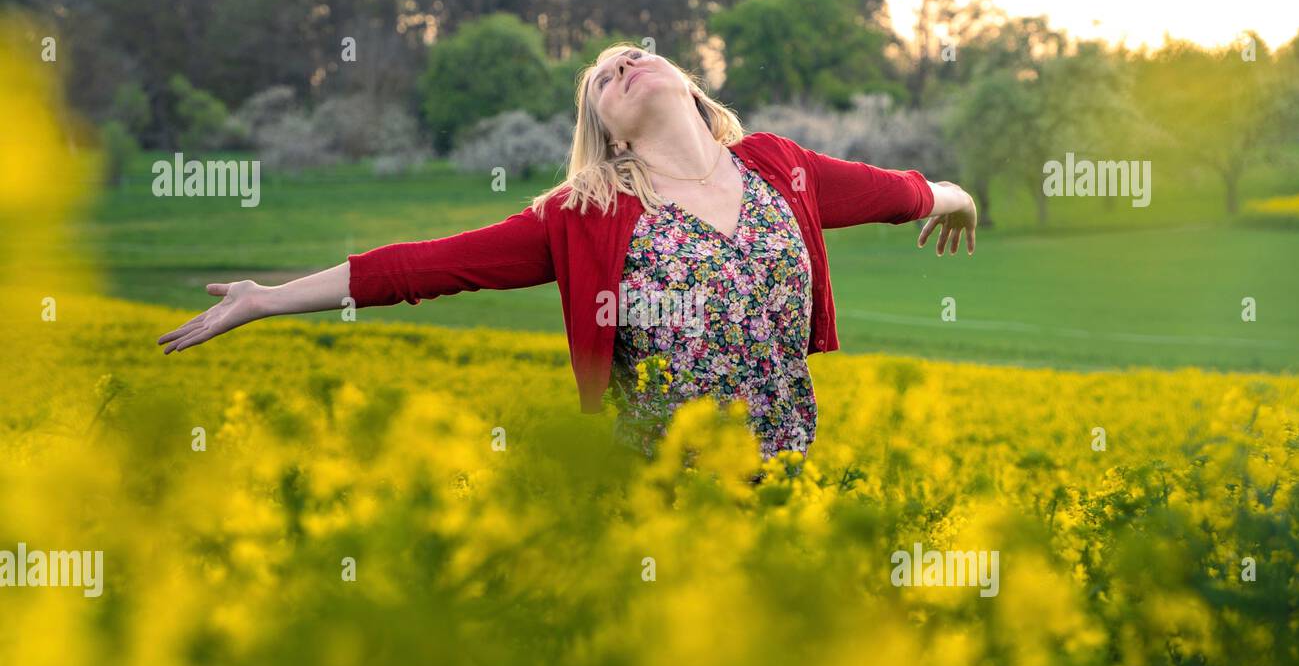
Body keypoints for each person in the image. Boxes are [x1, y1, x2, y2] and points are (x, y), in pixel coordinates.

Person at [157, 43, 977, 460]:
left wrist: (958, 197)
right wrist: (266, 298)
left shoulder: (780, 167)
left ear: (688, 86)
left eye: (632, 56)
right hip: (661, 498)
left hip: (798, 483)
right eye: (600, 80)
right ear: (606, 129)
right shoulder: (588, 210)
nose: (619, 65)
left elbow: (904, 191)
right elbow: (422, 268)